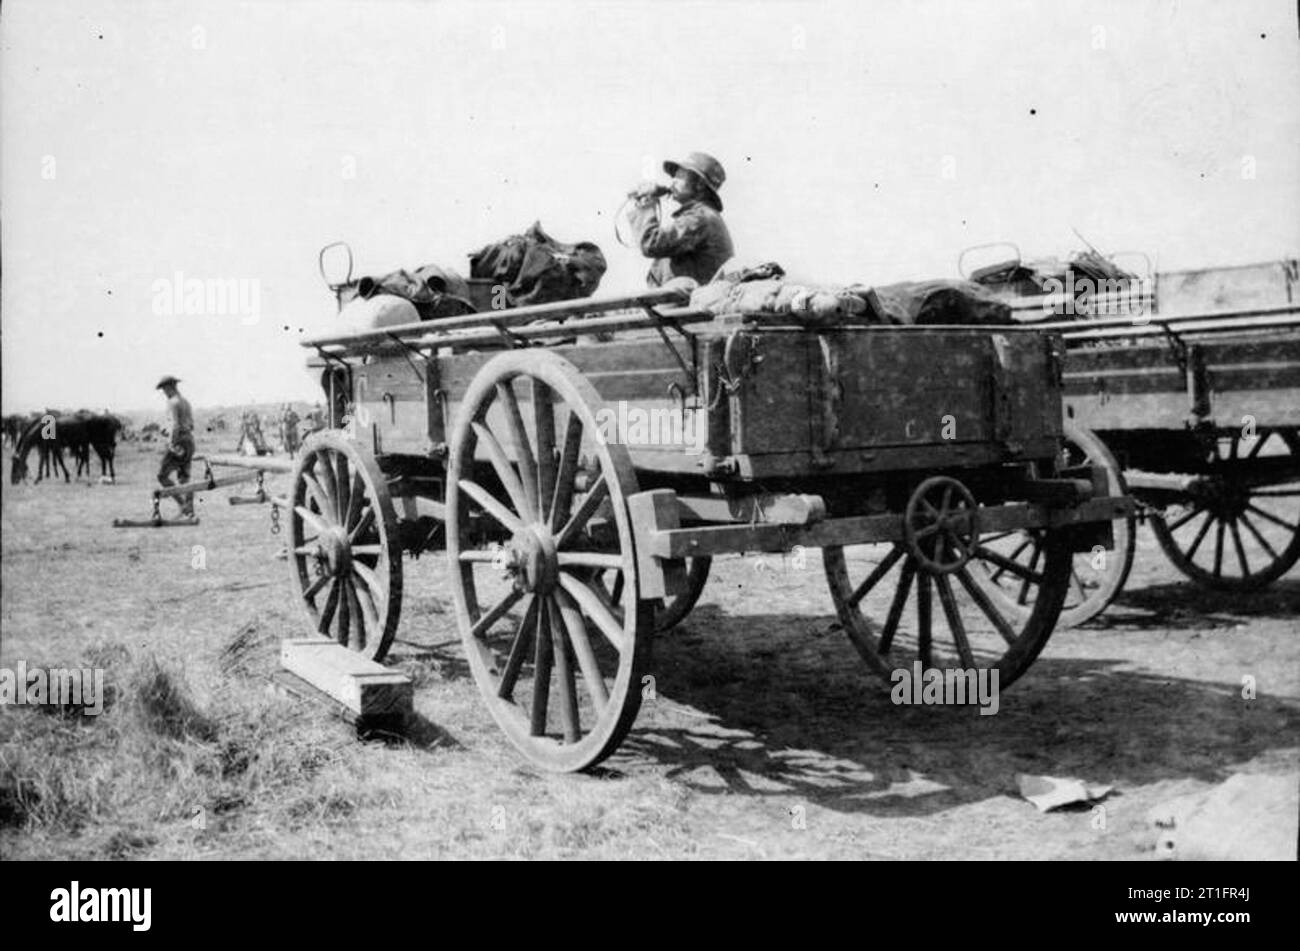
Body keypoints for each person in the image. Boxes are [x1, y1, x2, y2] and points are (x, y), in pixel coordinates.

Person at [625, 151, 734, 288]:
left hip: (687, 304)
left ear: (699, 184)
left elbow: (651, 244)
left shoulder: (699, 218)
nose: (673, 182)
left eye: (680, 176)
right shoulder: (703, 215)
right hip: (684, 302)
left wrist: (647, 205)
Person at [155, 375, 194, 517]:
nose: (164, 393)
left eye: (164, 390)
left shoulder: (172, 402)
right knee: (184, 478)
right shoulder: (185, 402)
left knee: (162, 476)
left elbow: (175, 425)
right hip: (189, 441)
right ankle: (190, 509)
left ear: (169, 387)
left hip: (178, 442)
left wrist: (172, 442)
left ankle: (183, 505)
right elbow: (190, 425)